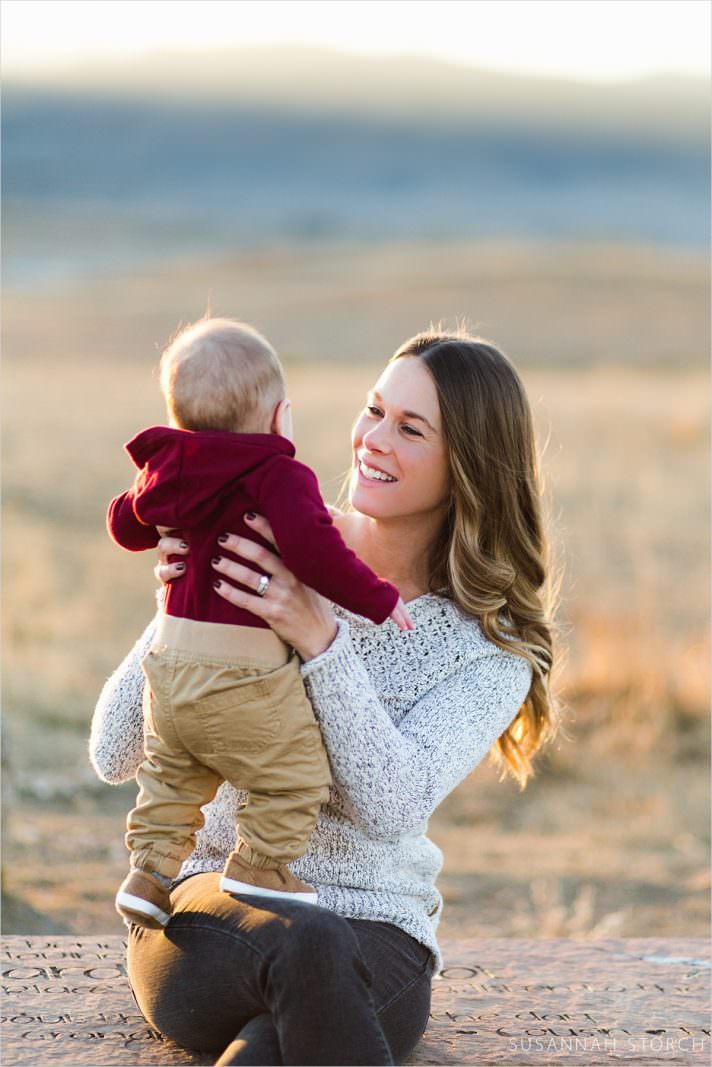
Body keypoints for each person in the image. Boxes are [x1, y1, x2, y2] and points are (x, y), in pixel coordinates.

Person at [90, 329, 561, 1066]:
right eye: (374, 410)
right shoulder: (259, 541)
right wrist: (176, 618)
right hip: (212, 918)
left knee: (276, 1041)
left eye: (409, 428)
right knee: (309, 936)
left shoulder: (488, 653)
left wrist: (320, 639)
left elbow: (391, 804)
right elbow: (113, 751)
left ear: (467, 465)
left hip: (378, 935)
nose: (372, 439)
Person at [107, 317, 413, 930]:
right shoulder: (278, 474)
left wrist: (158, 523)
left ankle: (149, 873)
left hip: (167, 671)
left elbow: (125, 524)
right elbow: (313, 551)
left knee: (171, 778)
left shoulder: (167, 465)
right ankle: (260, 866)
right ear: (279, 417)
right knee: (295, 776)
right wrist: (379, 599)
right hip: (243, 673)